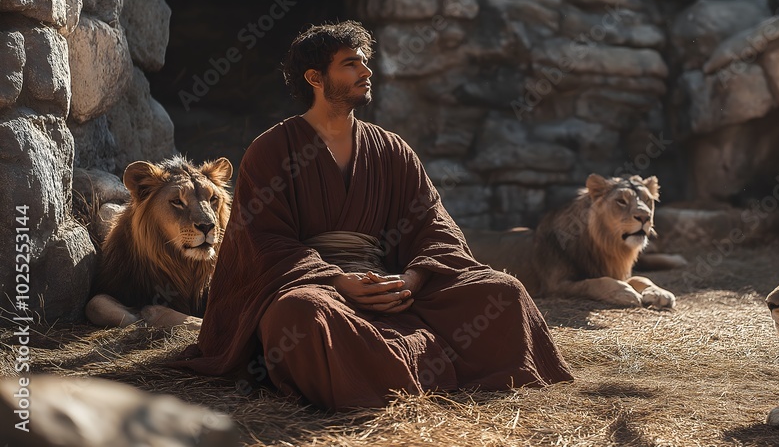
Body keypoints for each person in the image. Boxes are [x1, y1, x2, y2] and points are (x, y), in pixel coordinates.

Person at [173, 21, 573, 409]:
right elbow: (262, 239)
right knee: (300, 317)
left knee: (503, 291)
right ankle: (403, 373)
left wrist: (412, 278)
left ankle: (396, 368)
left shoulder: (391, 148)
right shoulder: (271, 149)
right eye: (351, 63)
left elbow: (432, 222)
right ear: (315, 77)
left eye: (365, 61)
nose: (366, 71)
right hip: (314, 285)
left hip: (392, 283)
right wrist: (337, 279)